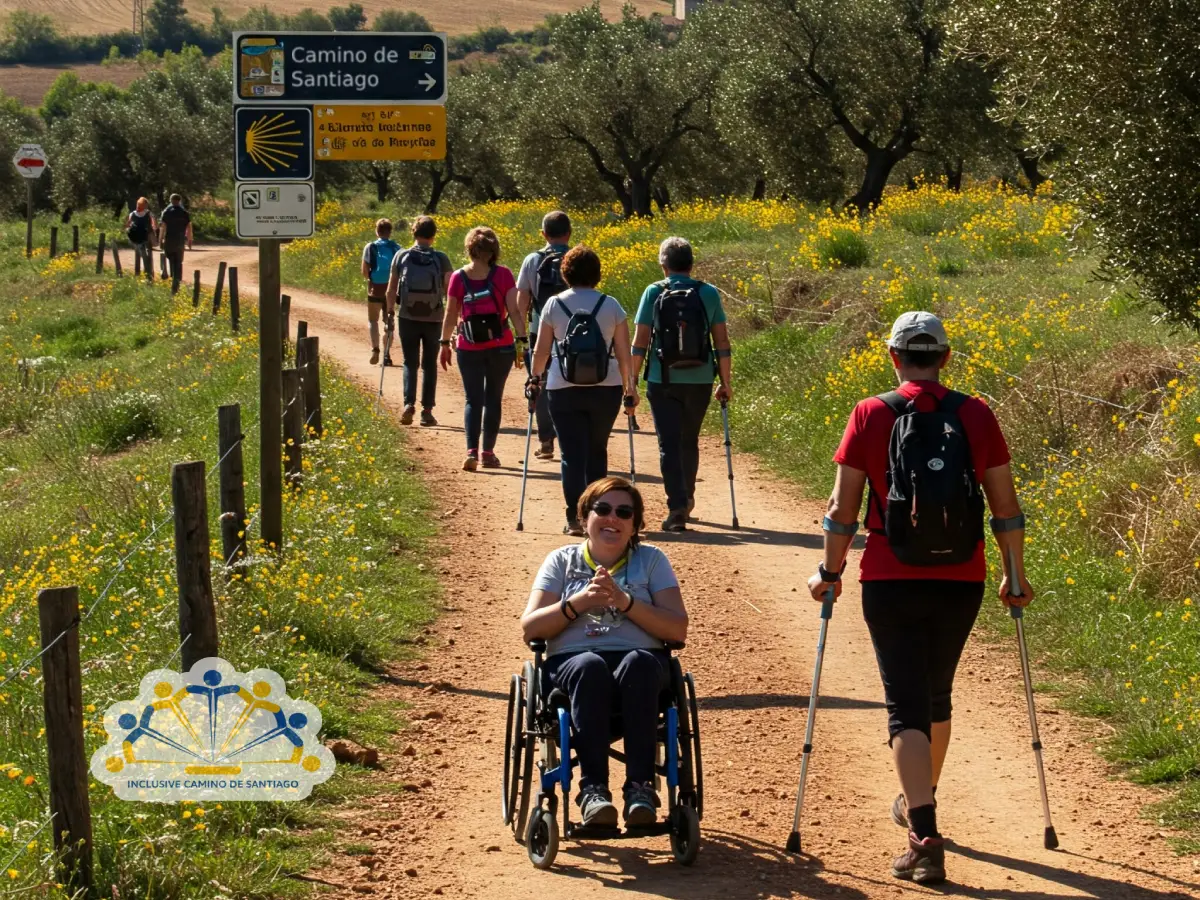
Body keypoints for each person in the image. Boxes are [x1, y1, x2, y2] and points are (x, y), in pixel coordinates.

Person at [808, 311, 1033, 886]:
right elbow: (1005, 507)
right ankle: (919, 801)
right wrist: (1015, 574)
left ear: (893, 356)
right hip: (962, 575)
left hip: (889, 573)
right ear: (946, 357)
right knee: (936, 695)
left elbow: (842, 509)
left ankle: (923, 832)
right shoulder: (976, 413)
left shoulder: (871, 412)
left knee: (903, 704)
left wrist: (827, 572)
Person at [520, 476, 688, 828]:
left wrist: (624, 601)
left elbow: (676, 629)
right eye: (603, 509)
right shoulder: (560, 561)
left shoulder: (652, 561)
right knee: (589, 666)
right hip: (573, 665)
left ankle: (640, 789)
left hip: (641, 664)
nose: (613, 518)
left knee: (639, 663)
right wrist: (580, 602)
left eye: (624, 512)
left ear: (634, 525)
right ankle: (594, 791)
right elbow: (532, 628)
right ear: (584, 517)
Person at [530, 245, 638, 536]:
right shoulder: (611, 305)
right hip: (607, 387)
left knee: (570, 454)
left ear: (566, 273)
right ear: (597, 273)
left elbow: (541, 351)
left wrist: (534, 378)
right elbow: (624, 354)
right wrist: (630, 388)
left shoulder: (554, 305)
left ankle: (573, 518)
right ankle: (597, 514)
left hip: (562, 387)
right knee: (597, 450)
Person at [631, 237, 733, 532]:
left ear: (663, 264)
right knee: (689, 440)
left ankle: (676, 507)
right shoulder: (708, 293)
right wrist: (725, 382)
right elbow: (721, 342)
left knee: (668, 444)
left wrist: (632, 383)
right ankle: (687, 498)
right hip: (700, 378)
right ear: (691, 264)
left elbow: (640, 342)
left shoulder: (653, 292)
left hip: (662, 378)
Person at [441, 226, 527, 471]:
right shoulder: (504, 275)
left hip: (469, 346)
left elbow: (450, 314)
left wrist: (444, 343)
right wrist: (522, 340)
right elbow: (514, 311)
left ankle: (471, 451)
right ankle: (488, 452)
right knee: (493, 399)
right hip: (501, 345)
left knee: (473, 399)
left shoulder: (458, 277)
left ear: (470, 249)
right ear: (493, 250)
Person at [385, 216, 452, 427]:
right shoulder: (441, 258)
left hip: (407, 316)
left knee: (409, 362)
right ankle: (427, 411)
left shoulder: (401, 255)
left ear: (413, 232)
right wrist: (453, 317)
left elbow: (391, 287)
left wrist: (388, 313)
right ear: (434, 235)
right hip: (434, 317)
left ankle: (408, 405)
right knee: (429, 364)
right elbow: (451, 291)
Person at [515, 211, 570, 460]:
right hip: (574, 332)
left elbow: (522, 298)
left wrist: (522, 332)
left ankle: (546, 441)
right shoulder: (577, 257)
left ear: (543, 234)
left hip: (541, 329)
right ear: (569, 233)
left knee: (541, 382)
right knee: (573, 381)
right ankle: (570, 438)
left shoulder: (532, 260)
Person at [361, 218, 400, 367]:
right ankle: (386, 354)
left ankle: (375, 348)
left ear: (377, 231)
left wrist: (370, 280)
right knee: (389, 321)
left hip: (375, 289)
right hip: (391, 289)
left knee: (373, 320)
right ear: (390, 231)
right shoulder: (396, 248)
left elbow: (365, 271)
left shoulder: (370, 247)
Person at [158, 193, 192, 295]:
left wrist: (160, 239)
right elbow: (189, 228)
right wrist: (189, 240)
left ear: (171, 200)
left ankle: (169, 275)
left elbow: (163, 227)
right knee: (178, 262)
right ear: (179, 200)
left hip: (169, 240)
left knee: (168, 256)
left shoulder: (167, 212)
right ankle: (176, 283)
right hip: (180, 241)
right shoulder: (185, 213)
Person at [124, 197, 157, 281]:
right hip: (145, 239)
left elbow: (127, 225)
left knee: (140, 254)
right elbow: (154, 226)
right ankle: (148, 274)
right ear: (145, 205)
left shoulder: (133, 213)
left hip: (135, 239)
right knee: (146, 257)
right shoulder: (149, 214)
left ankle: (141, 273)